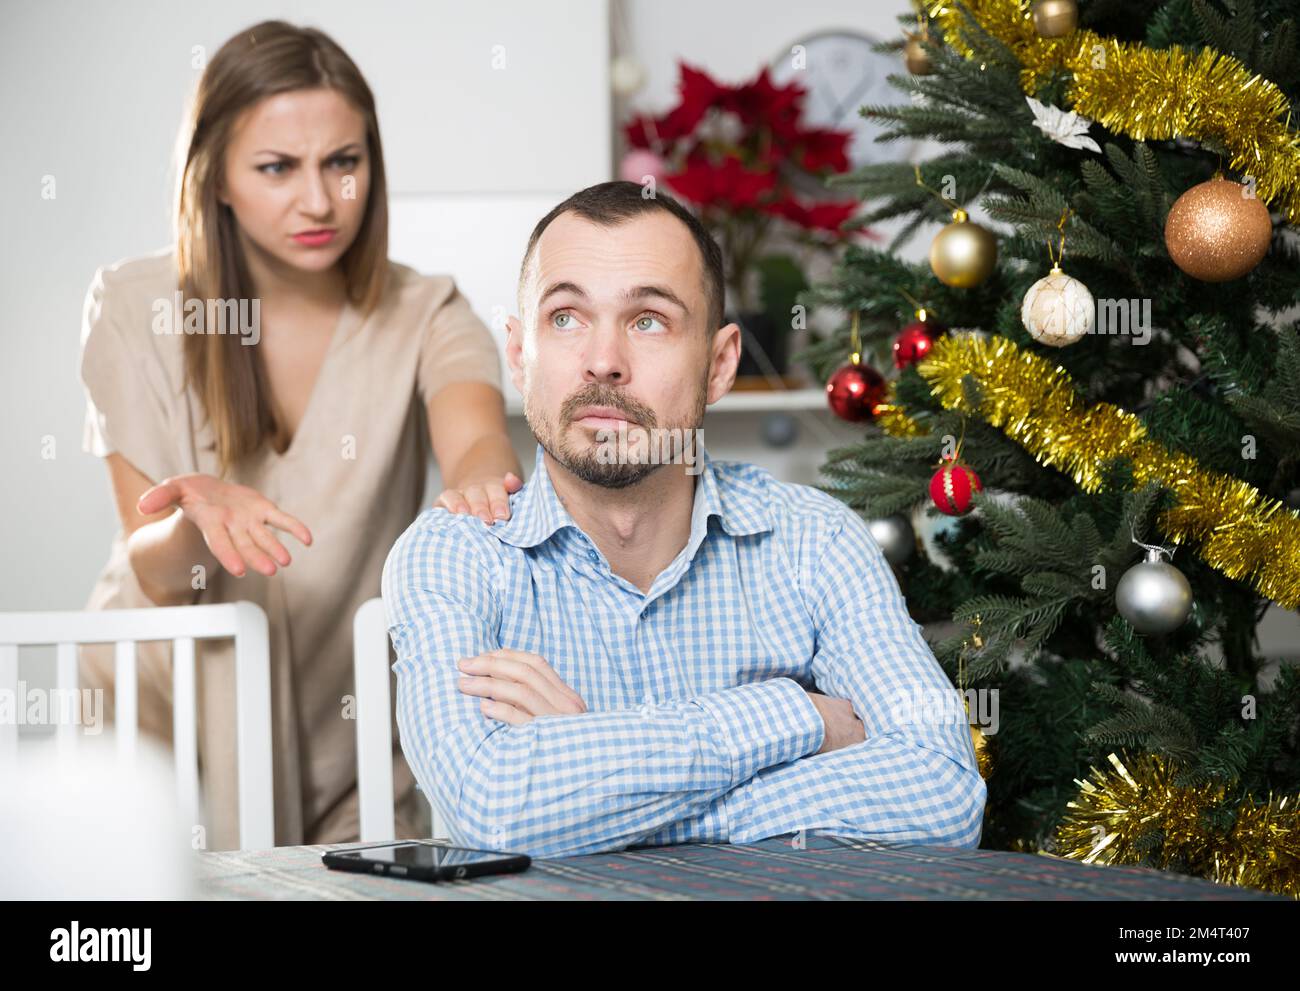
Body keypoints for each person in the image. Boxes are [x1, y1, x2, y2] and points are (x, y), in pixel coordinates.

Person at [382, 180, 987, 858]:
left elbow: (943, 792)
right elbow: (496, 809)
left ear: (719, 364)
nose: (604, 361)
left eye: (648, 320)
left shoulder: (815, 540)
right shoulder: (453, 554)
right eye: (566, 318)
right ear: (520, 356)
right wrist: (798, 717)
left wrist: (596, 785)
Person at [77, 21, 520, 851]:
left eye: (343, 163)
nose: (318, 201)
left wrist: (485, 483)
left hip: (346, 733)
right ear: (216, 180)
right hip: (157, 728)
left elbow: (478, 446)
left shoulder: (430, 312)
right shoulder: (133, 306)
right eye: (277, 168)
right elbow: (153, 566)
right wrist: (191, 516)